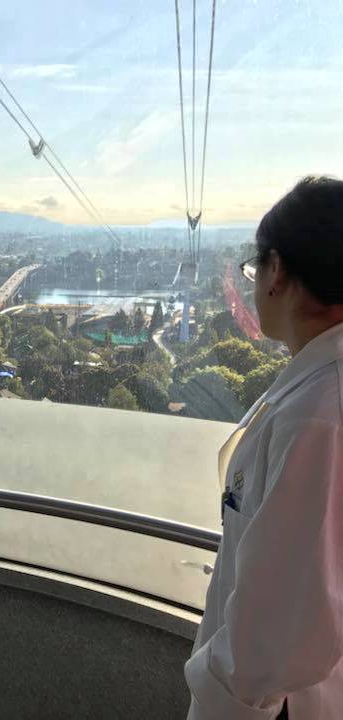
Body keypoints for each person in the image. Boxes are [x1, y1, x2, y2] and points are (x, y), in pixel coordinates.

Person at [185, 176, 343, 719]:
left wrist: (219, 699)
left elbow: (280, 632)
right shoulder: (320, 391)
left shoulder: (320, 414)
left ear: (278, 270)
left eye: (254, 271)